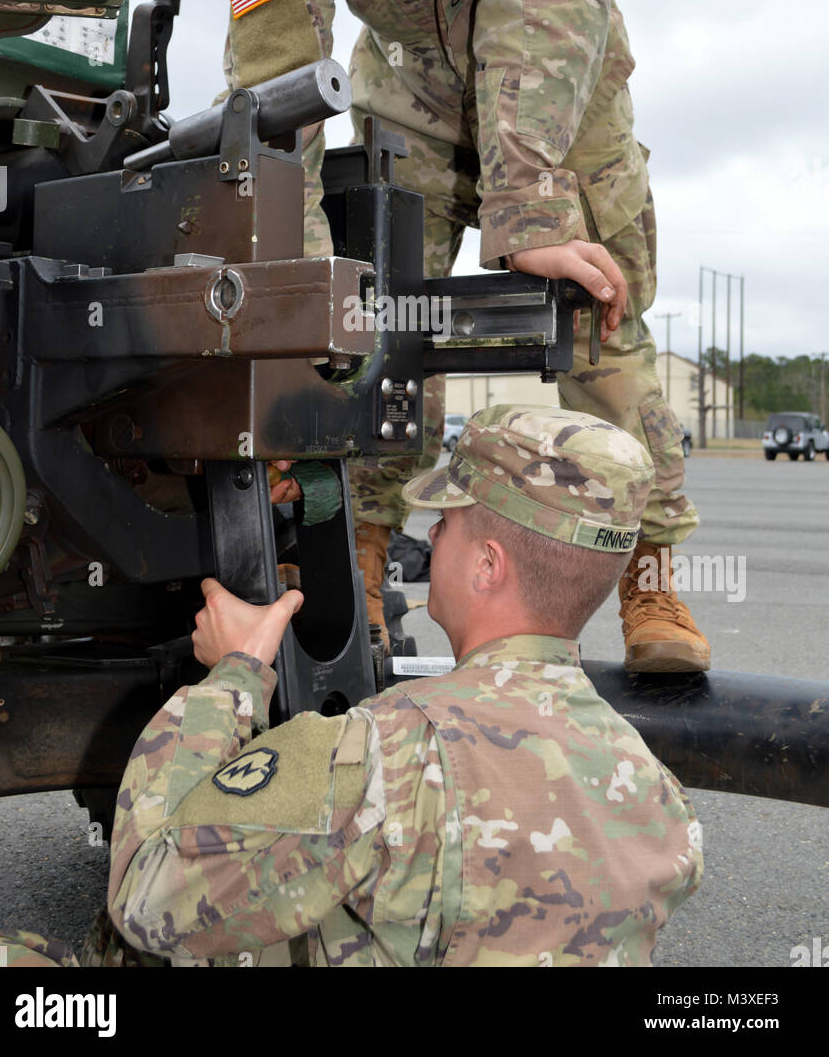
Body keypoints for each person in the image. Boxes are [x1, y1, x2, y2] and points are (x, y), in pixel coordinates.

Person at [215, 0, 709, 673]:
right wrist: (305, 282)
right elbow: (273, 105)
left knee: (595, 313)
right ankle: (355, 555)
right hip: (409, 106)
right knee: (372, 324)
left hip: (562, 98)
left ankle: (651, 574)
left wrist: (528, 202)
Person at [105, 406, 703, 967]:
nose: (433, 539)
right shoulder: (658, 795)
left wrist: (232, 675)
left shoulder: (381, 758)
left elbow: (147, 893)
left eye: (445, 523)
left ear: (486, 566)